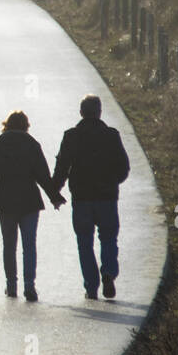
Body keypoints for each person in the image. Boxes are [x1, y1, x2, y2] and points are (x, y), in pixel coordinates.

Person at [0, 110, 65, 301]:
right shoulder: (32, 145)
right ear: (26, 126)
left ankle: (11, 285)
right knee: (29, 245)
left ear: (6, 126)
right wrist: (54, 197)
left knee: (9, 245)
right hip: (29, 201)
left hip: (5, 201)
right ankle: (29, 286)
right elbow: (43, 176)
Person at [52, 95, 130, 300]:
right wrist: (113, 182)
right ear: (99, 112)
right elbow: (124, 167)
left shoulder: (71, 136)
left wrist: (55, 192)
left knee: (84, 243)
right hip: (107, 198)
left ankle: (91, 286)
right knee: (109, 238)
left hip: (81, 198)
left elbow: (62, 168)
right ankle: (108, 273)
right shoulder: (111, 135)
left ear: (81, 113)